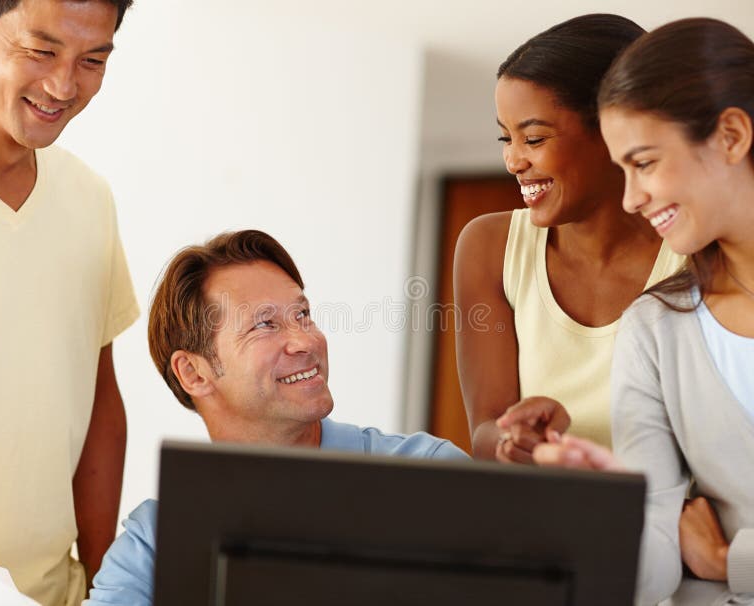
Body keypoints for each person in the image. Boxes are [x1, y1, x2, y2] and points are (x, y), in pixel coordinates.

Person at [85, 229, 469, 605]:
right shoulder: (155, 543)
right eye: (265, 324)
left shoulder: (432, 480)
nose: (306, 341)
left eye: (303, 315)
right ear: (194, 373)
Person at [521, 17, 754, 605]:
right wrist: (605, 516)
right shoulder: (655, 328)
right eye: (623, 170)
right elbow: (653, 563)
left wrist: (734, 558)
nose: (630, 198)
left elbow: (719, 560)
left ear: (730, 135)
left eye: (645, 163)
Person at [0, 1, 138, 605]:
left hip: (50, 594)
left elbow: (99, 403)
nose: (63, 86)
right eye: (41, 50)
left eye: (92, 60)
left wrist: (104, 582)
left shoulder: (90, 201)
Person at [454, 14, 684, 462]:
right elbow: (485, 430)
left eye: (534, 138)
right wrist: (516, 438)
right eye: (506, 138)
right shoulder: (489, 247)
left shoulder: (697, 247)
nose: (513, 161)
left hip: (676, 523)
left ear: (614, 130)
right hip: (544, 522)